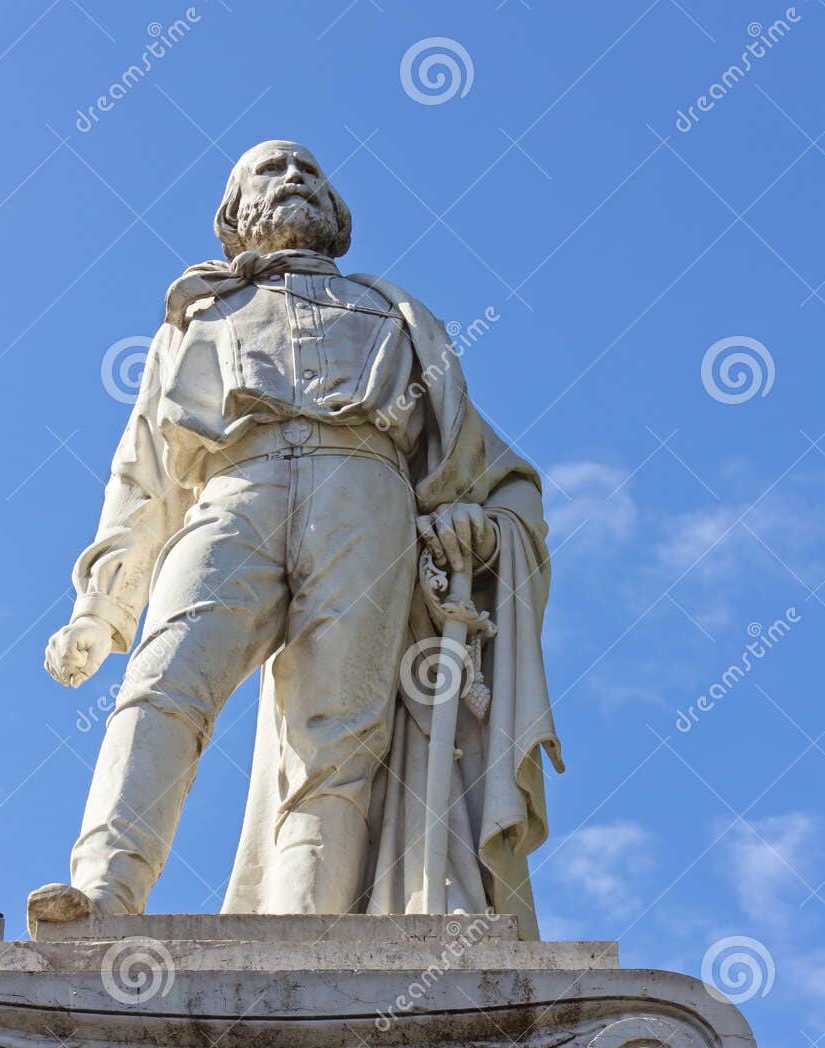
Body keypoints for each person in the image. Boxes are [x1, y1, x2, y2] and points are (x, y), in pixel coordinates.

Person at [31, 140, 560, 931]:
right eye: (271, 170)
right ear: (235, 213)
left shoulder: (395, 312)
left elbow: (490, 467)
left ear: (336, 209)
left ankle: (310, 929)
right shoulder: (196, 315)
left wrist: (481, 527)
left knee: (340, 734)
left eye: (308, 170)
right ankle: (104, 891)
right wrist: (100, 610)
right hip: (233, 486)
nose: (293, 180)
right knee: (163, 681)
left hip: (365, 491)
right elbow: (143, 474)